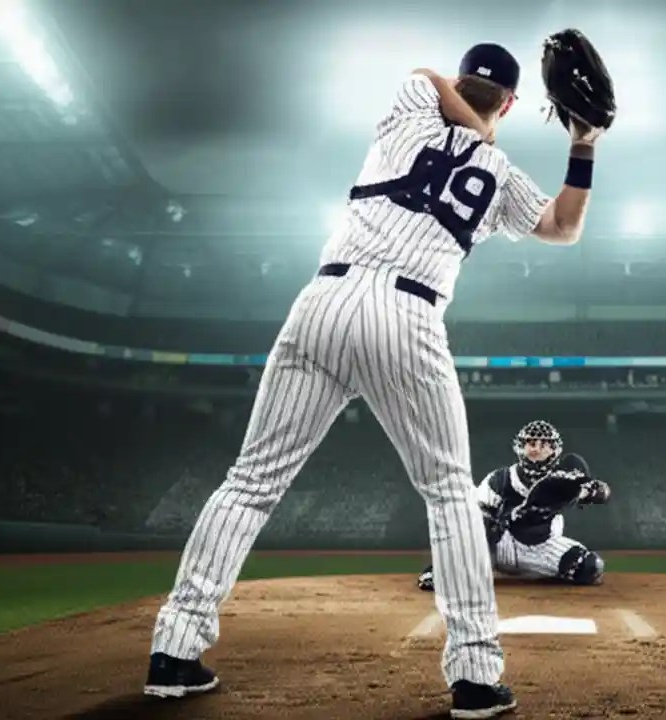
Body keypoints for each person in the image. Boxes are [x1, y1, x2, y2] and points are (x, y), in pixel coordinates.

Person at [143, 42, 604, 720]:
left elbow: (425, 74)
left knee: (249, 483)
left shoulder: (417, 102)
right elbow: (564, 227)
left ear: (461, 81)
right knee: (450, 495)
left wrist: (497, 115)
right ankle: (475, 675)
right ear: (508, 102)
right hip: (407, 314)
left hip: (323, 302)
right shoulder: (498, 167)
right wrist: (583, 142)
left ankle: (173, 650)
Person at [416, 420, 610, 592]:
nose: (536, 449)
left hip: (543, 546)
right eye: (531, 443)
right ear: (521, 448)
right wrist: (501, 522)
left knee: (590, 567)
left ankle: (542, 572)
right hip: (501, 545)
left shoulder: (563, 479)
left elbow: (603, 493)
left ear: (554, 450)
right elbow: (471, 518)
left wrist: (593, 490)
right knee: (479, 521)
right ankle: (446, 570)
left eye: (544, 444)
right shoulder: (500, 479)